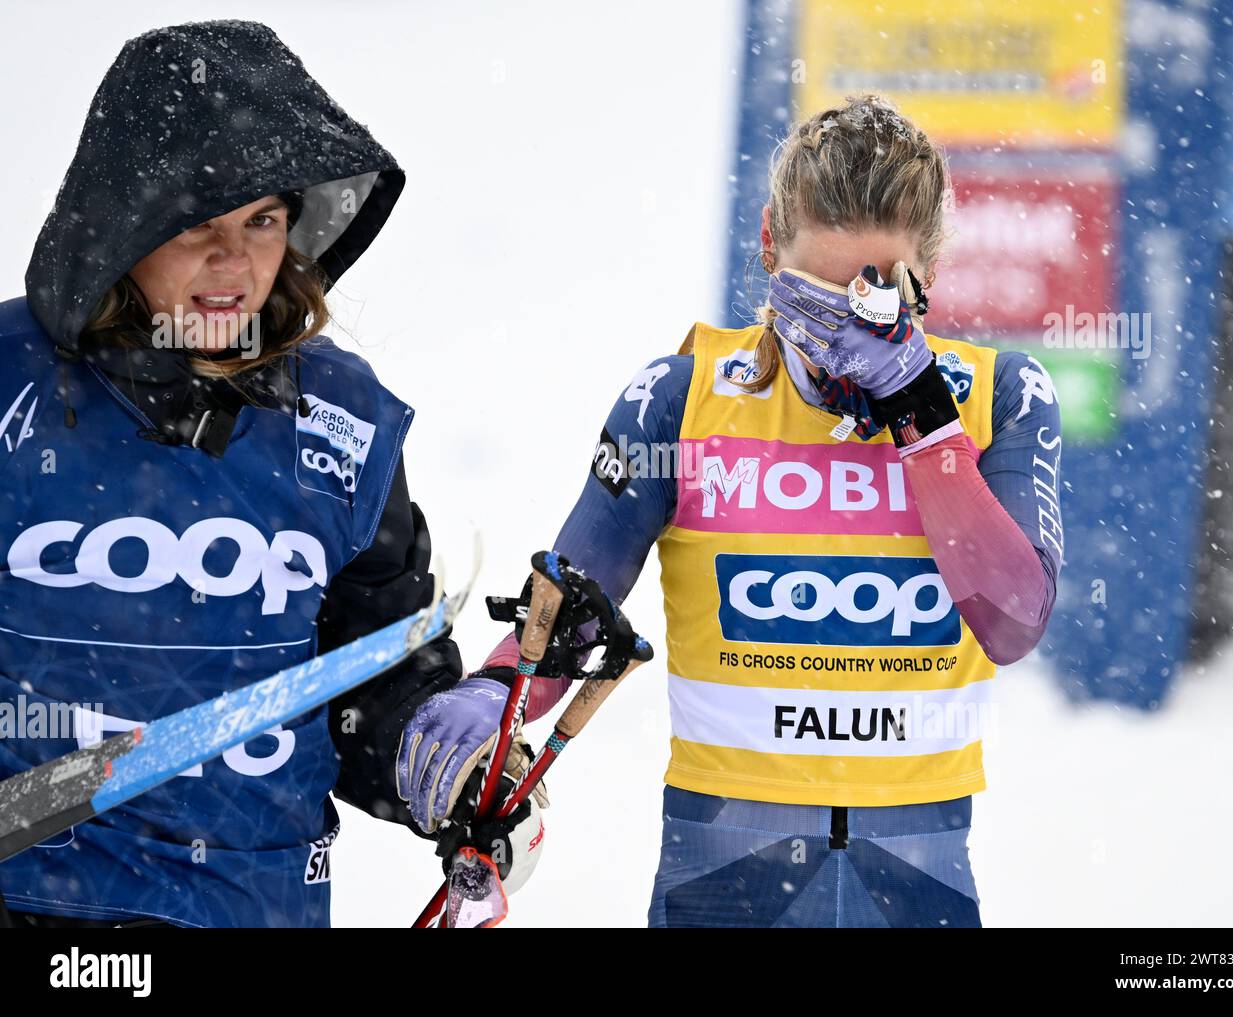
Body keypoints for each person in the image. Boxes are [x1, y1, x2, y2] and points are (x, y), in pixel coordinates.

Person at [0, 20, 542, 929]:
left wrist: (442, 764)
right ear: (125, 233)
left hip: (252, 906)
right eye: (197, 227)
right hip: (36, 904)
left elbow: (369, 681)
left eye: (262, 222)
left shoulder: (346, 418)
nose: (236, 262)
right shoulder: (11, 378)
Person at [477, 93, 1065, 927]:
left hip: (915, 877)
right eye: (812, 298)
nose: (839, 338)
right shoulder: (680, 399)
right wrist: (481, 709)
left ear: (927, 277)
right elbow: (570, 616)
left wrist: (919, 413)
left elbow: (1012, 621)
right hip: (720, 874)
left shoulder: (997, 397)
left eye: (872, 300)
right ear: (765, 244)